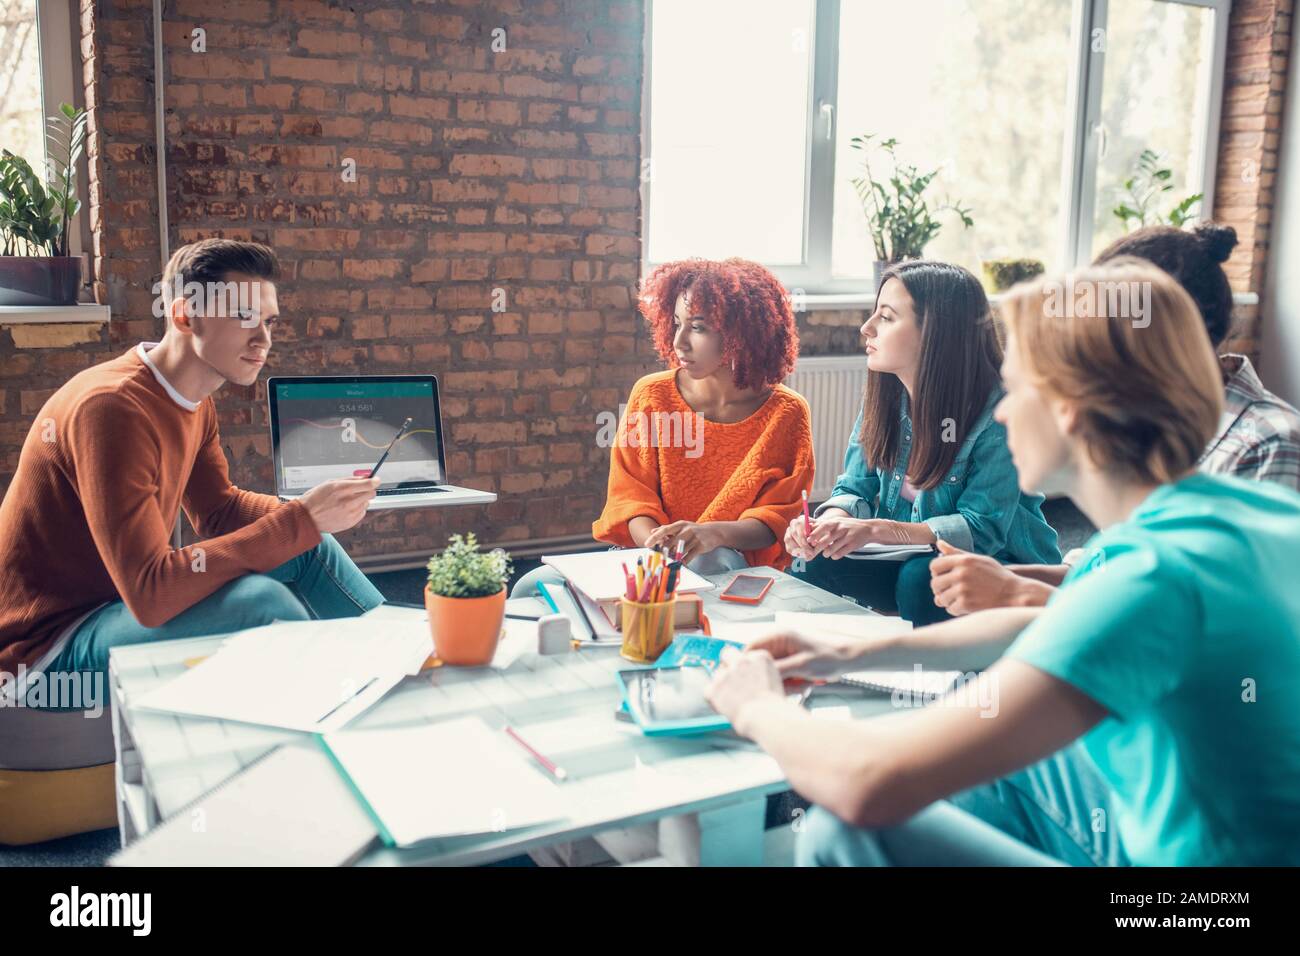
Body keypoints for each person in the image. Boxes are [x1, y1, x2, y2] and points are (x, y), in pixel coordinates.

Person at [705, 259, 1300, 866]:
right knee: (968, 751)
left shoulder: (1154, 580)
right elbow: (1067, 607)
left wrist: (756, 707)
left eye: (1019, 389)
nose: (1005, 410)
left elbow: (865, 786)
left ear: (1067, 409)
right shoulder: (1231, 513)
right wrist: (845, 654)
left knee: (849, 827)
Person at [0, 239, 384, 701]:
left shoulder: (190, 398)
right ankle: (317, 727)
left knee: (306, 545)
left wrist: (311, 511)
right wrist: (299, 521)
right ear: (185, 316)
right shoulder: (112, 409)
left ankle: (394, 664)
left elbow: (218, 509)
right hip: (40, 657)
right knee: (263, 604)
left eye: (268, 321)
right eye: (245, 318)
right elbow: (151, 593)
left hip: (109, 610)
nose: (264, 339)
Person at [930, 221, 1300, 616]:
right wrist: (1009, 578)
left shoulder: (1271, 442)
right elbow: (1112, 569)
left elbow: (1213, 625)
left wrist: (1018, 595)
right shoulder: (1140, 415)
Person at [512, 258, 813, 597]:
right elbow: (630, 499)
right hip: (648, 559)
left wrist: (711, 535)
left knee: (711, 561)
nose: (679, 341)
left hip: (731, 565)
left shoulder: (786, 413)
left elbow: (776, 520)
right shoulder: (651, 395)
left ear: (742, 335)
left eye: (698, 327)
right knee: (529, 588)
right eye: (676, 323)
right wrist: (659, 546)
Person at [784, 261, 1058, 625]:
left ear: (935, 332)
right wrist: (828, 526)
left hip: (998, 565)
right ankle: (832, 669)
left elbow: (981, 530)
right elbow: (854, 486)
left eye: (887, 317)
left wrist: (879, 530)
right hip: (908, 556)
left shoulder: (1000, 414)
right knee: (812, 562)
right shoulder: (884, 397)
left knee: (923, 579)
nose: (867, 328)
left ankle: (934, 676)